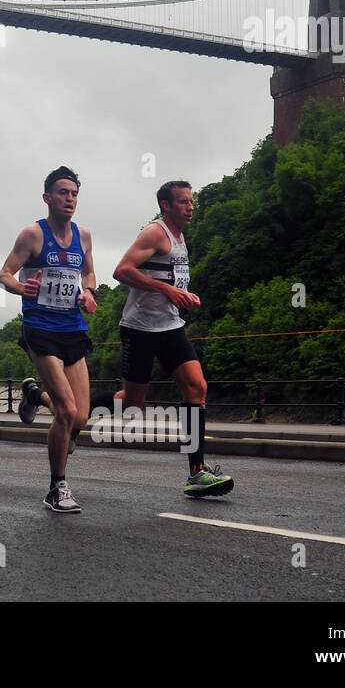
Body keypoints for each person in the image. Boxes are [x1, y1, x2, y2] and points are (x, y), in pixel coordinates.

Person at [111, 180, 233, 498]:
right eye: (183, 202)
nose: (190, 207)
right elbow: (122, 271)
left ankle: (197, 473)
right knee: (131, 406)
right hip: (139, 329)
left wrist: (183, 294)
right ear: (166, 206)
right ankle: (68, 407)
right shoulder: (155, 233)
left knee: (197, 387)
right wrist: (168, 290)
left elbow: (172, 278)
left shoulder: (180, 238)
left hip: (170, 327)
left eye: (191, 201)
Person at [0, 166, 98, 513]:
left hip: (73, 329)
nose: (70, 199)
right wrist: (20, 286)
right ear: (47, 198)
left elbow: (88, 272)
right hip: (40, 329)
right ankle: (57, 488)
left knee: (80, 417)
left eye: (74, 194)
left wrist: (88, 293)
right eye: (63, 193)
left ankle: (34, 395)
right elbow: (4, 274)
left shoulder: (83, 235)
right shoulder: (32, 235)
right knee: (67, 411)